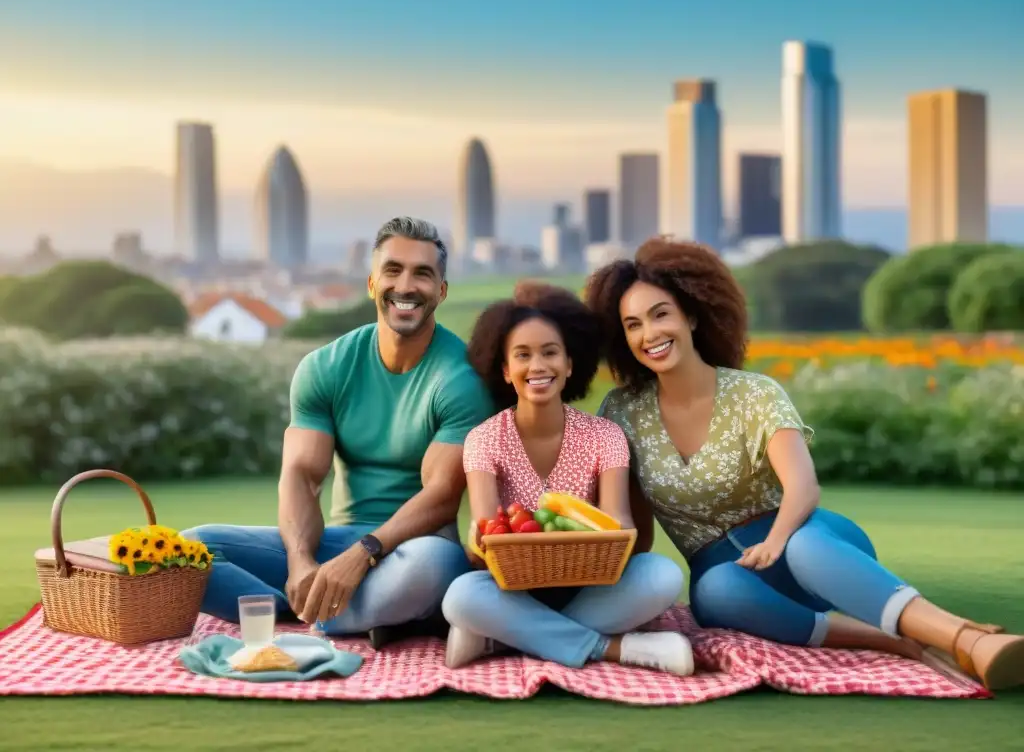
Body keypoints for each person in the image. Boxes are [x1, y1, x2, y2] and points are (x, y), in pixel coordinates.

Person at [585, 237, 1024, 691]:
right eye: (632, 324)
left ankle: (965, 638)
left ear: (691, 315)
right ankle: (894, 640)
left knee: (805, 549)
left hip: (805, 539)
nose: (649, 334)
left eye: (661, 314)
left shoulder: (754, 393)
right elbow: (632, 522)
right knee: (712, 594)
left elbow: (803, 486)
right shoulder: (622, 412)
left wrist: (776, 541)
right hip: (729, 576)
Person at [182, 217, 493, 647]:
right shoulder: (325, 367)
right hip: (335, 546)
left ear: (441, 291)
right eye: (393, 270)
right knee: (190, 550)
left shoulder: (460, 378)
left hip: (410, 551)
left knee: (436, 562)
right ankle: (317, 608)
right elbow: (301, 476)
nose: (406, 285)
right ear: (372, 284)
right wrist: (301, 562)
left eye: (422, 273)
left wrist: (364, 553)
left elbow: (440, 498)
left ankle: (331, 617)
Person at [441, 282, 693, 676]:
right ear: (505, 370)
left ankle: (502, 637)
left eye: (550, 352)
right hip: (512, 591)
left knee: (662, 575)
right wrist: (484, 541)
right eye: (523, 355)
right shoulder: (484, 439)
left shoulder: (604, 437)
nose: (538, 366)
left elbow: (620, 528)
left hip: (592, 587)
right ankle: (612, 648)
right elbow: (483, 547)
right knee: (460, 596)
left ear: (570, 364)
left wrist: (575, 545)